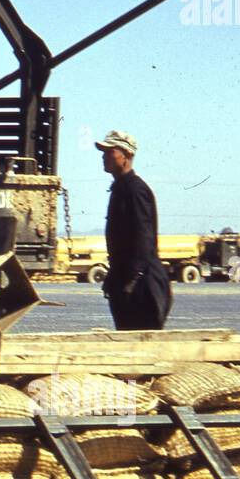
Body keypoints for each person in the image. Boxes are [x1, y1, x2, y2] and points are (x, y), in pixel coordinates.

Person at [96, 130, 173, 330]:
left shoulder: (135, 190)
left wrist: (132, 281)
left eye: (109, 151)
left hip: (142, 287)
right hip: (127, 282)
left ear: (126, 155)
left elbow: (143, 238)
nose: (104, 157)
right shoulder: (120, 189)